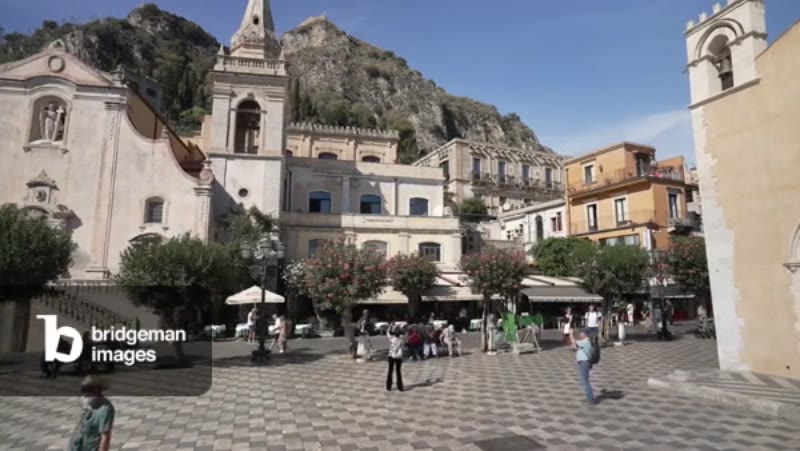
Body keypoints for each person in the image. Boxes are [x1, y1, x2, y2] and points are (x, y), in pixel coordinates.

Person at [69, 376, 114, 451]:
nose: (84, 395)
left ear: (96, 390)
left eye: (88, 391)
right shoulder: (89, 403)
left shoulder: (105, 409)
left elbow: (105, 437)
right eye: (83, 391)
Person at [571, 329, 596, 405]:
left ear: (585, 334)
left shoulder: (585, 342)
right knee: (585, 380)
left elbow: (573, 342)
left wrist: (571, 334)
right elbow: (575, 347)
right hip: (584, 362)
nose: (580, 334)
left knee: (585, 381)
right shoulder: (587, 342)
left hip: (584, 363)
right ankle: (589, 397)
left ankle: (590, 398)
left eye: (581, 333)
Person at [386, 323, 405, 391]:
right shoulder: (402, 340)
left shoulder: (392, 338)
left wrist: (390, 326)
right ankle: (400, 387)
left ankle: (388, 386)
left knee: (390, 371)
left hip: (391, 356)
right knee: (398, 372)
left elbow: (387, 332)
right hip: (399, 357)